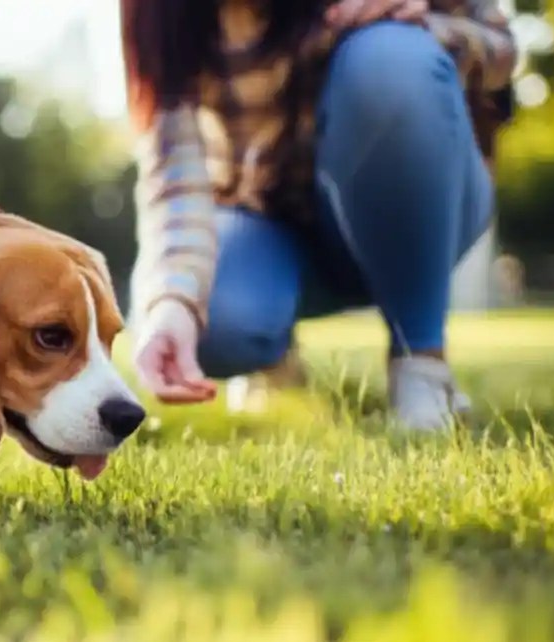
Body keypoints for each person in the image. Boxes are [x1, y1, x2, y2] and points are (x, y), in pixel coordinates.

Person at [120, 0, 517, 429]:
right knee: (207, 321)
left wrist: (419, 28)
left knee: (390, 59)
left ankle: (421, 361)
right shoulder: (160, 13)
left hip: (426, 205)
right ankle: (276, 356)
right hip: (268, 225)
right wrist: (173, 300)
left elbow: (502, 48)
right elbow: (175, 173)